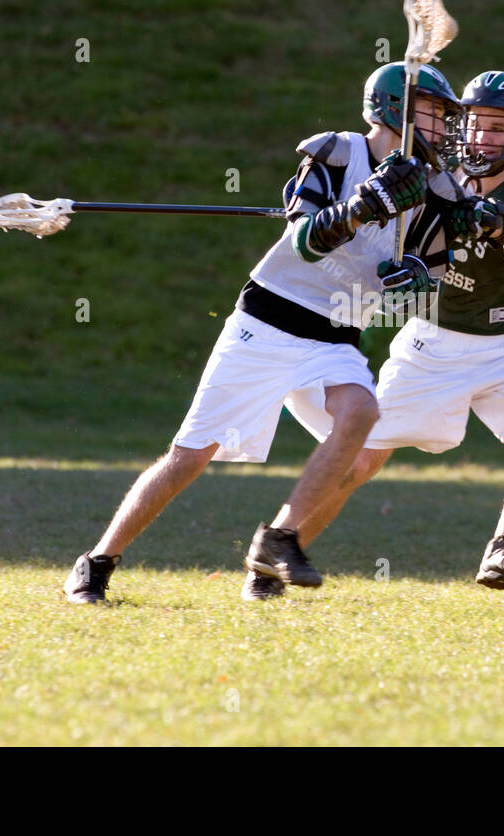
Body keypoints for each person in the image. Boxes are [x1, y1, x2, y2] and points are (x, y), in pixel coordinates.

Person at [62, 62, 464, 604]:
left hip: (336, 335)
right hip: (269, 318)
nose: (443, 127)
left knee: (363, 429)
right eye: (433, 113)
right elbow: (305, 240)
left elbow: (430, 269)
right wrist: (362, 205)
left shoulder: (436, 187)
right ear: (394, 109)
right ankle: (98, 561)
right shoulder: (338, 154)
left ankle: (276, 547)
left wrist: (414, 277)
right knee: (191, 455)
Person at [291, 70, 504, 591]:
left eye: (497, 127)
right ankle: (282, 546)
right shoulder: (432, 176)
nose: (482, 137)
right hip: (433, 344)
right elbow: (391, 248)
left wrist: (501, 223)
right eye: (473, 125)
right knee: (358, 462)